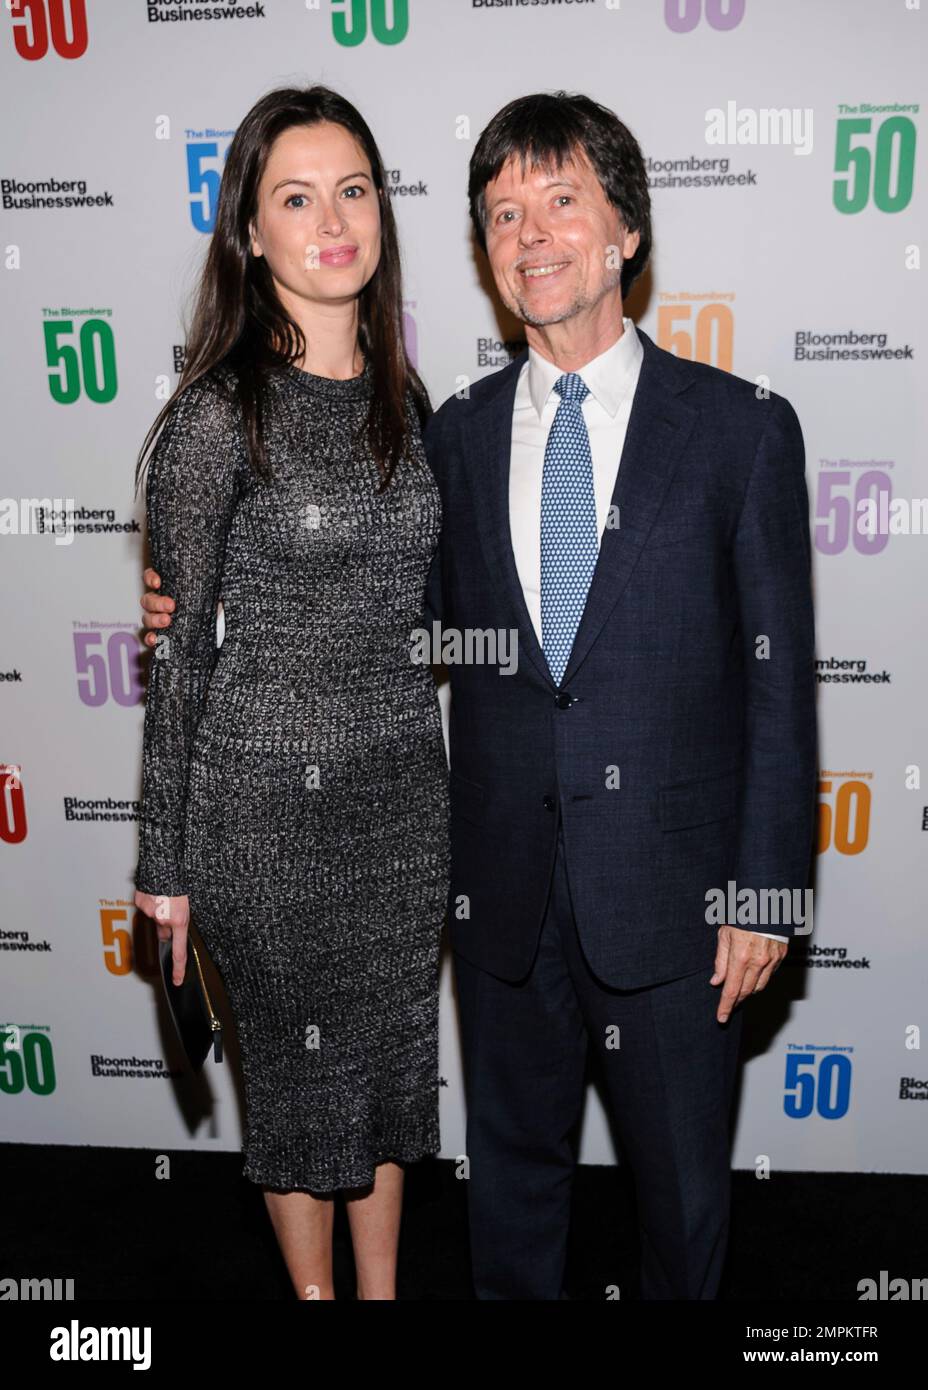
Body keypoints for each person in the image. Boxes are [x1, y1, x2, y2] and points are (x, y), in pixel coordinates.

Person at [144, 90, 818, 1300]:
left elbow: (779, 683)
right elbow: (364, 603)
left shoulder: (741, 432)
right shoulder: (444, 433)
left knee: (682, 1221)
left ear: (626, 232)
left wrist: (765, 893)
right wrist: (185, 605)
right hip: (491, 893)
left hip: (672, 907)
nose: (533, 234)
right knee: (510, 1213)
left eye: (563, 201)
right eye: (503, 212)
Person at [133, 84, 449, 1302]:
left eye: (354, 191)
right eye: (297, 197)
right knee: (303, 1087)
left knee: (378, 1073)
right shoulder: (216, 419)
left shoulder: (406, 405)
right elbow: (178, 654)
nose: (333, 222)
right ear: (249, 232)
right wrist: (162, 863)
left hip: (401, 807)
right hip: (263, 818)